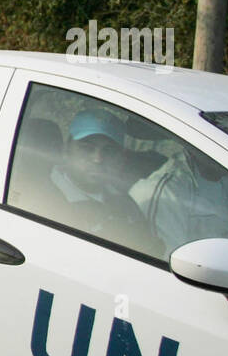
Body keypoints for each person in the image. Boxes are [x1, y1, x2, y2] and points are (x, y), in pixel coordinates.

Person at [48, 109, 160, 256]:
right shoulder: (44, 194)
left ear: (121, 158)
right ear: (67, 150)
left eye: (109, 151)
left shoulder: (126, 203)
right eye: (87, 148)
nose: (98, 159)